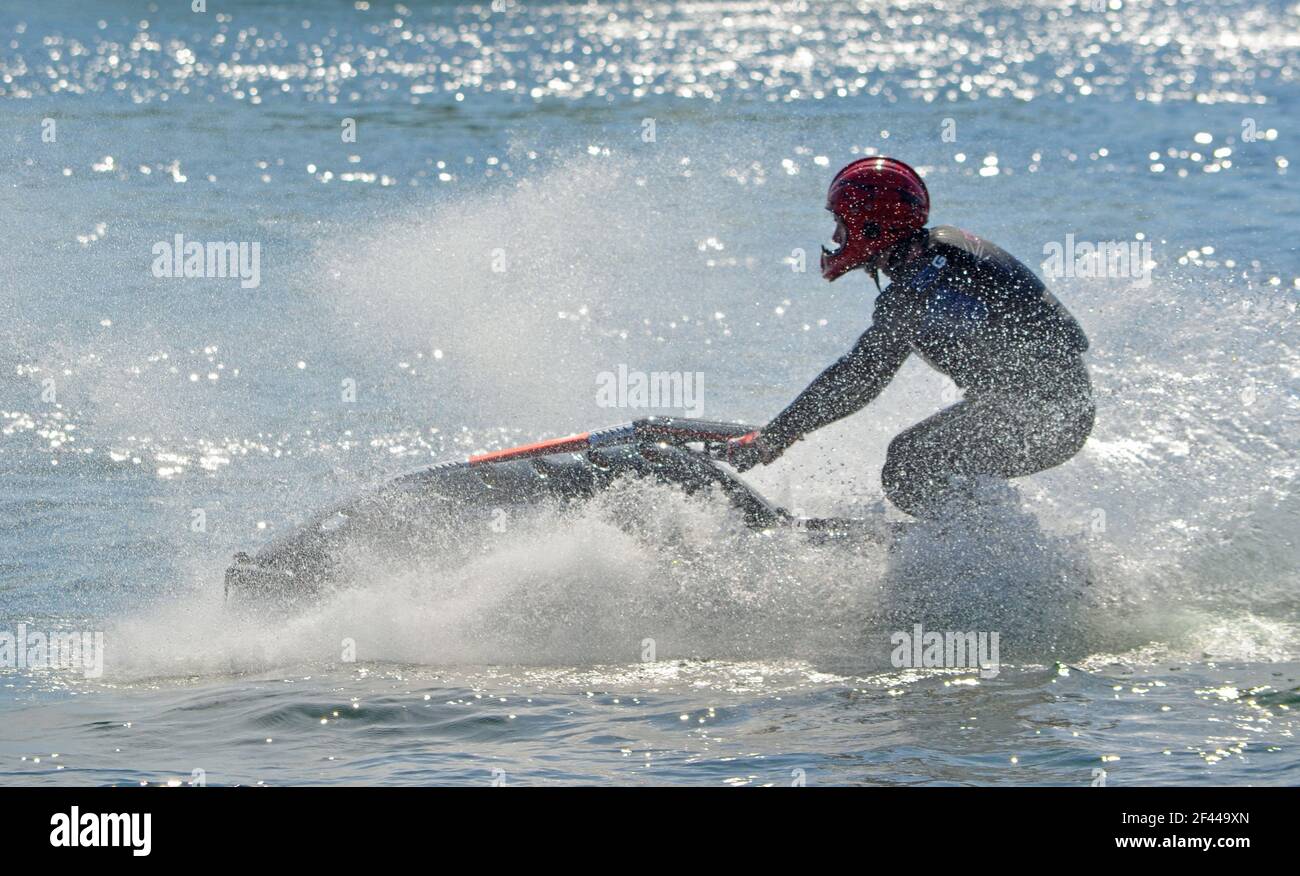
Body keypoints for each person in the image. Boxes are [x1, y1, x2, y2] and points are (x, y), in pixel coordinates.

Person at [726, 156, 1094, 518]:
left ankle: (991, 551)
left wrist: (775, 436)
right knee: (917, 460)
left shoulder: (923, 282)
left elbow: (861, 376)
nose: (837, 237)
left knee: (909, 467)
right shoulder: (939, 253)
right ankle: (985, 536)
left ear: (872, 226)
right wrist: (780, 433)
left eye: (842, 224)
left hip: (1048, 415)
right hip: (1052, 407)